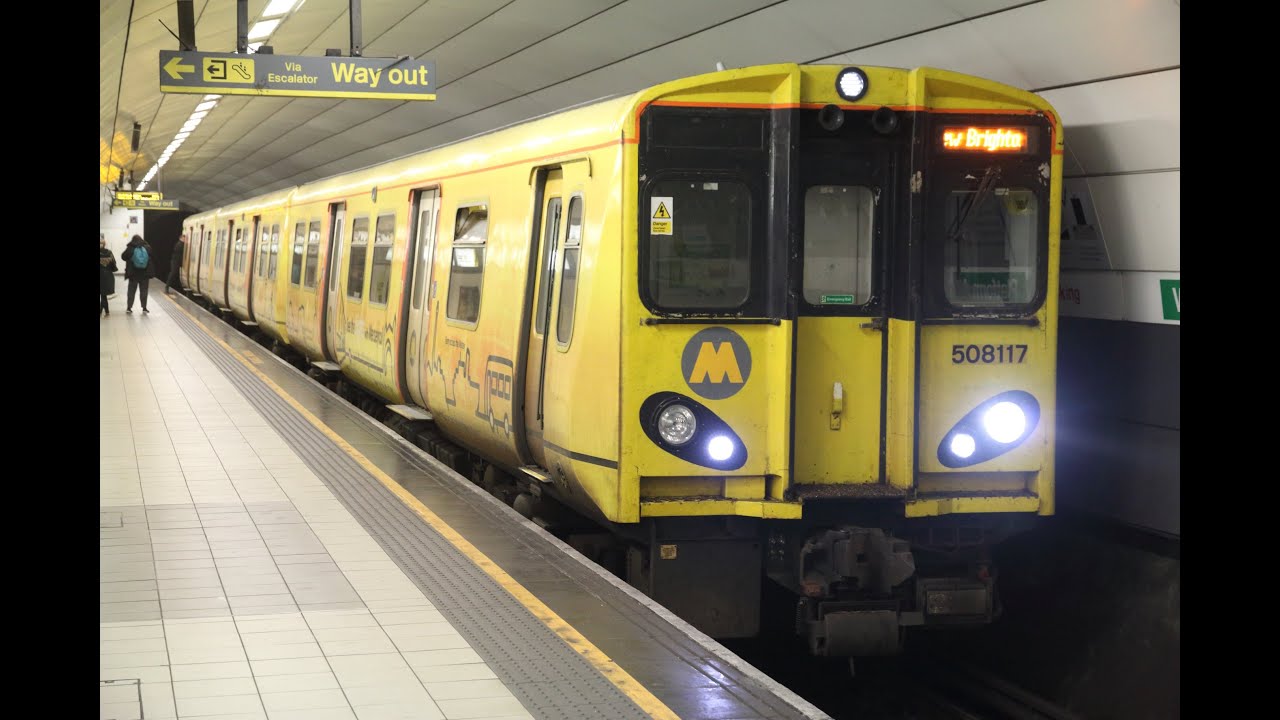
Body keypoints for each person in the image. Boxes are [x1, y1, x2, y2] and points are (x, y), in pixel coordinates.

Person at [121, 234, 154, 314]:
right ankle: (144, 308)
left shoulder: (131, 248)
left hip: (133, 274)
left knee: (131, 291)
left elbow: (123, 257)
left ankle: (129, 308)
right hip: (145, 274)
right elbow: (152, 256)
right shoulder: (147, 247)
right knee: (144, 291)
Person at [100, 236, 117, 318]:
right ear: (105, 244)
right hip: (108, 276)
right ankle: (106, 311)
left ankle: (104, 311)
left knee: (103, 294)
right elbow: (114, 263)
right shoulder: (109, 252)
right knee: (103, 294)